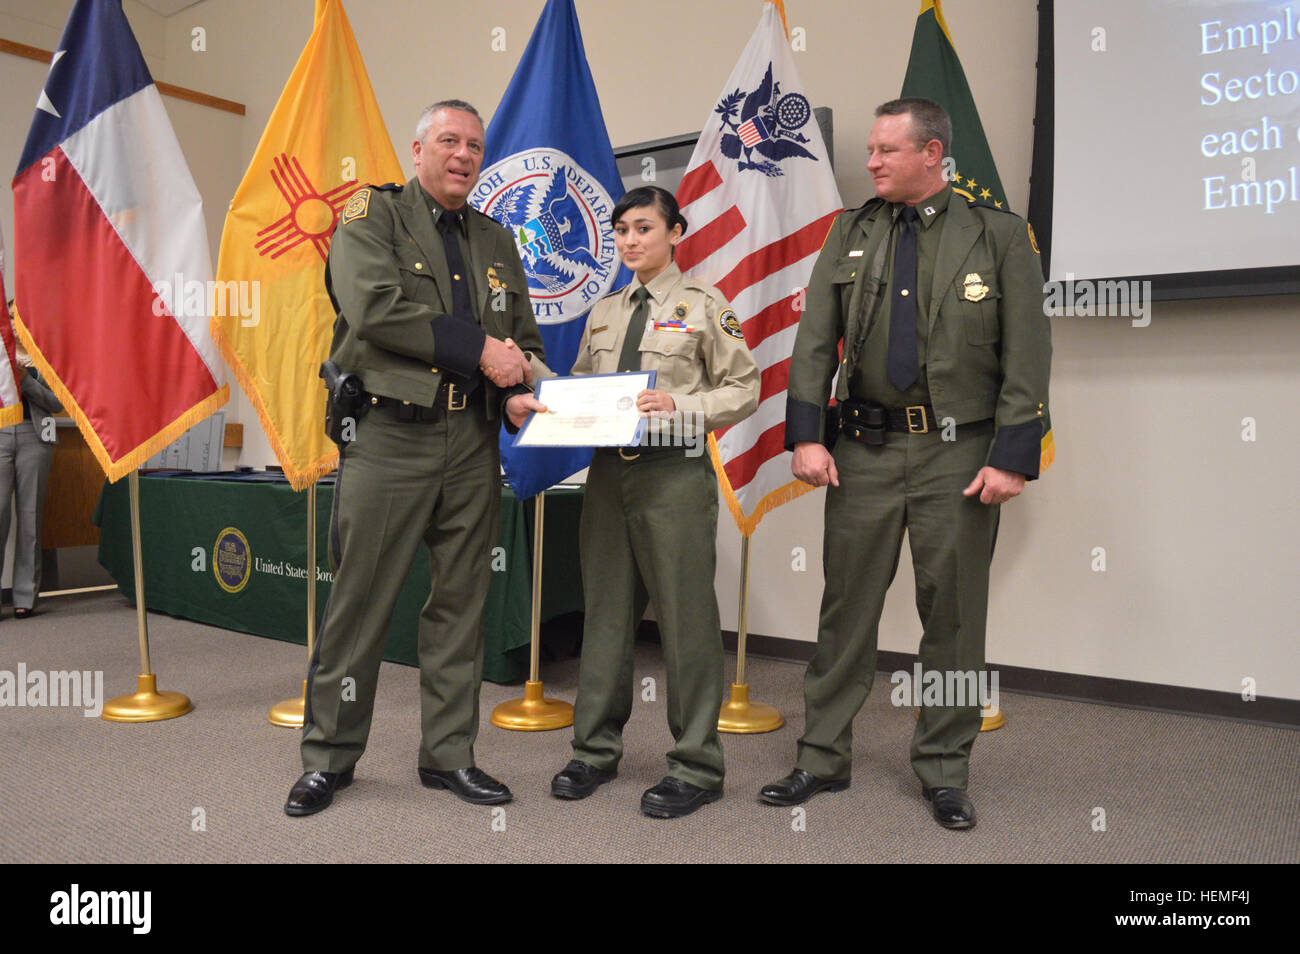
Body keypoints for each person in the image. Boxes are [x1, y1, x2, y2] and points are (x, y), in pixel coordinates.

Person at [760, 98, 1051, 830]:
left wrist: (1013, 455)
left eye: (888, 150)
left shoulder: (999, 235)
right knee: (845, 610)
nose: (872, 162)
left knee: (952, 617)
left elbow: (1028, 353)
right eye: (871, 150)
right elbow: (814, 342)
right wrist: (805, 436)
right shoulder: (850, 233)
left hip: (958, 451)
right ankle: (821, 757)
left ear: (932, 154)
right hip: (861, 447)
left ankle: (945, 770)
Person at [285, 100, 549, 817]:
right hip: (391, 438)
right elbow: (375, 309)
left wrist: (522, 385)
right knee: (360, 605)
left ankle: (449, 756)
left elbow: (522, 337)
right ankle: (329, 759)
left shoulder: (497, 239)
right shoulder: (372, 215)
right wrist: (483, 353)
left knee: (461, 609)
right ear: (419, 147)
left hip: (472, 443)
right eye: (448, 140)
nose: (463, 154)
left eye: (473, 144)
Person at [549, 186, 760, 818]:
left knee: (685, 620)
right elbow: (588, 382)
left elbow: (743, 386)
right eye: (620, 231)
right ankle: (593, 751)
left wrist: (681, 405)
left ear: (674, 233)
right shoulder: (607, 310)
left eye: (644, 228)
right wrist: (561, 403)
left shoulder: (703, 305)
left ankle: (697, 764)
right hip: (610, 476)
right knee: (606, 616)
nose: (630, 240)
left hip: (673, 473)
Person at [0, 337, 62, 619]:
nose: (12, 322)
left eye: (17, 316)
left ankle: (25, 596)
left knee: (30, 518)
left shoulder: (44, 357)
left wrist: (25, 379)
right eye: (8, 315)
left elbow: (57, 402)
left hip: (34, 438)